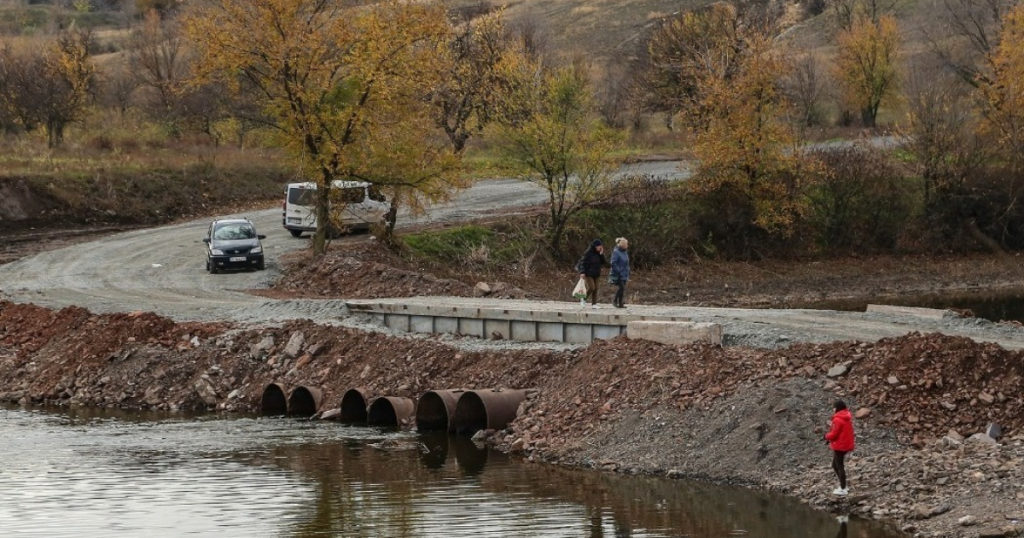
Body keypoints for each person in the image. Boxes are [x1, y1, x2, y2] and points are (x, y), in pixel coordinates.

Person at [824, 399, 856, 496]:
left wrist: (826, 436)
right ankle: (843, 486)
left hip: (840, 446)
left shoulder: (837, 419)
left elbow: (834, 433)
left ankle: (843, 488)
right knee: (835, 465)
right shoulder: (846, 416)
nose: (833, 409)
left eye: (834, 407)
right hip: (845, 444)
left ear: (837, 408)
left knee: (839, 466)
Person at [575, 239, 606, 306]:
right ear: (595, 246)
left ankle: (594, 304)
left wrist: (601, 254)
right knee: (592, 287)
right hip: (588, 273)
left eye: (601, 246)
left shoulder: (599, 253)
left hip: (596, 273)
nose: (600, 247)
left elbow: (603, 262)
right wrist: (582, 272)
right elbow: (583, 263)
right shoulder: (588, 253)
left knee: (596, 288)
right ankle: (583, 298)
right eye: (599, 246)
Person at [609, 237, 630, 308]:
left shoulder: (625, 252)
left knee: (622, 288)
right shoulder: (616, 252)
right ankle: (615, 301)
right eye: (626, 244)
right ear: (622, 245)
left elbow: (626, 263)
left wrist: (627, 271)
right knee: (621, 287)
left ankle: (621, 303)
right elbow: (613, 263)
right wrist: (618, 271)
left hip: (625, 273)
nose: (627, 245)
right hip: (617, 273)